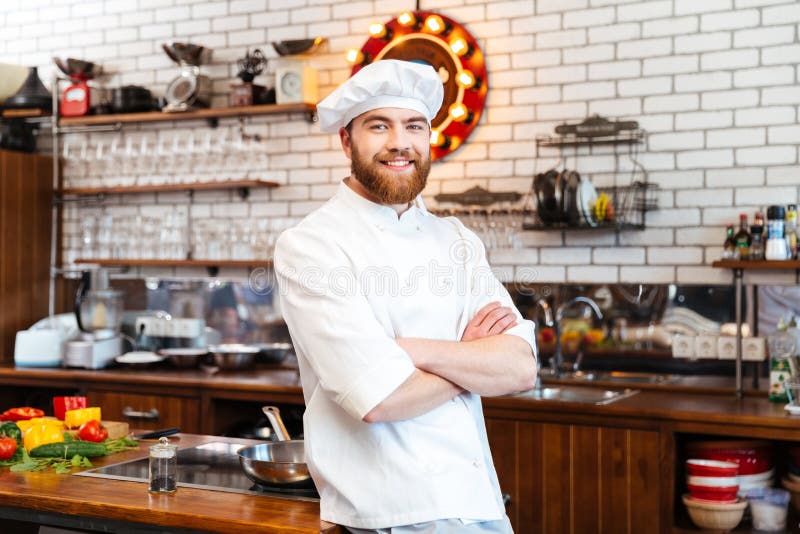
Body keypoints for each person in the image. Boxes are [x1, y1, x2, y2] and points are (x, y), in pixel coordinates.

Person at [274, 59, 537, 533]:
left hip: (480, 504)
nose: (400, 142)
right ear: (346, 140)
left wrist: (411, 352)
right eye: (379, 125)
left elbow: (520, 368)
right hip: (387, 515)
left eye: (414, 125)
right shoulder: (312, 244)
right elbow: (379, 398)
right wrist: (470, 361)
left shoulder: (456, 239)